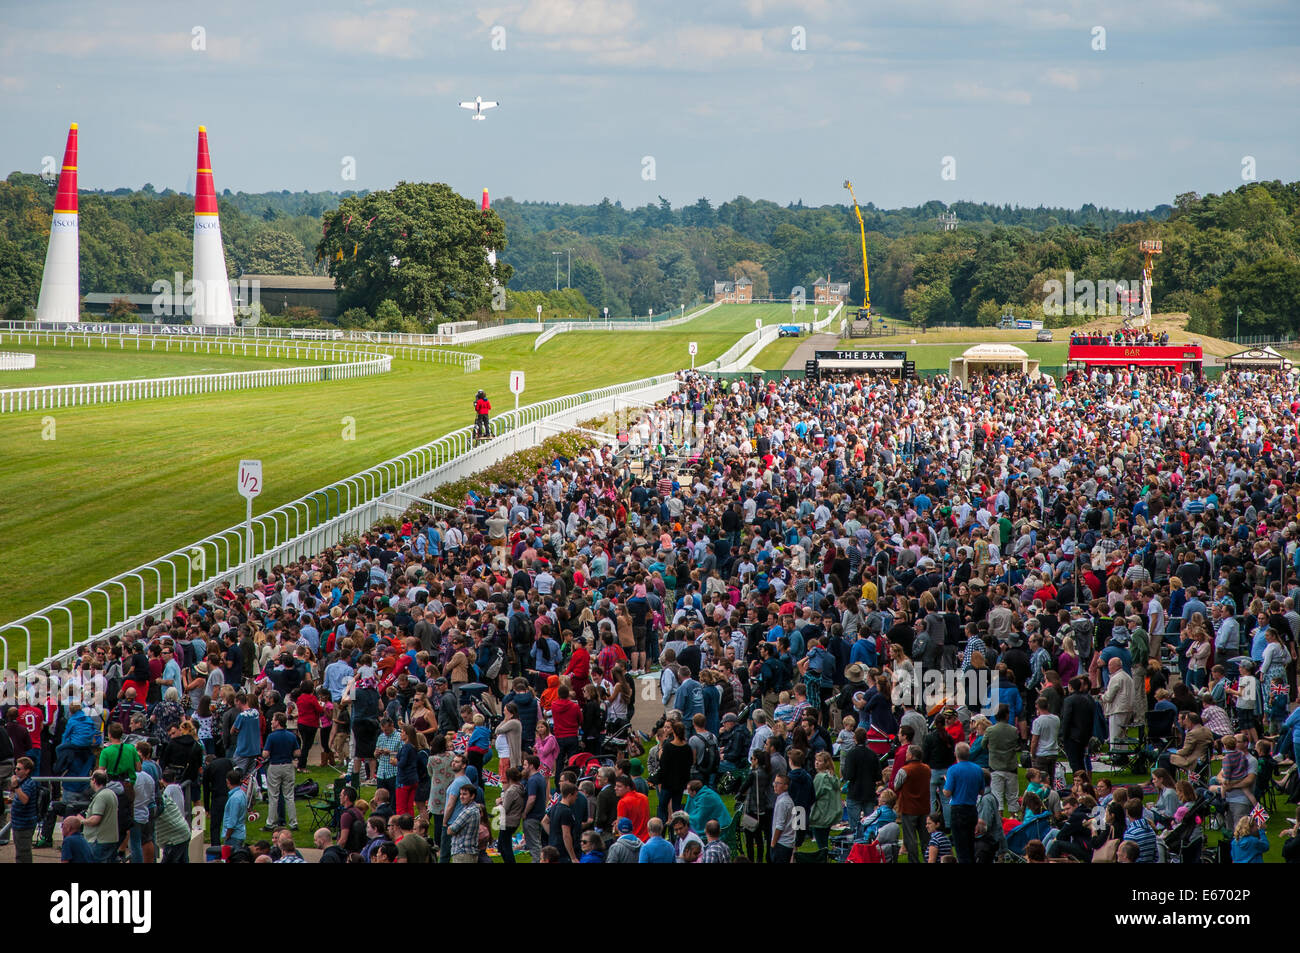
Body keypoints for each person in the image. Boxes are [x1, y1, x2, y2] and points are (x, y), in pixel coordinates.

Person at [944, 742, 983, 863]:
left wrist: (946, 783)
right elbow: (981, 791)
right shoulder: (977, 769)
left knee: (960, 846)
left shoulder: (953, 770)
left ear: (955, 754)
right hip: (972, 809)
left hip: (958, 809)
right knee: (970, 844)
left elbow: (947, 792)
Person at [261, 712, 300, 831]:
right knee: (289, 796)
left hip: (275, 766)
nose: (271, 722)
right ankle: (293, 823)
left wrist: (265, 753)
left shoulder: (271, 736)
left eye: (273, 720)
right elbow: (298, 752)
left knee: (273, 796)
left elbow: (265, 754)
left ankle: (271, 822)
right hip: (288, 765)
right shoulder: (291, 736)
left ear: (278, 722)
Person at [446, 785, 481, 863]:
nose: (461, 797)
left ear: (472, 796)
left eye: (464, 794)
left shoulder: (468, 812)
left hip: (462, 853)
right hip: (469, 852)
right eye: (460, 794)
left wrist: (449, 827)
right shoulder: (475, 809)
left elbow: (450, 830)